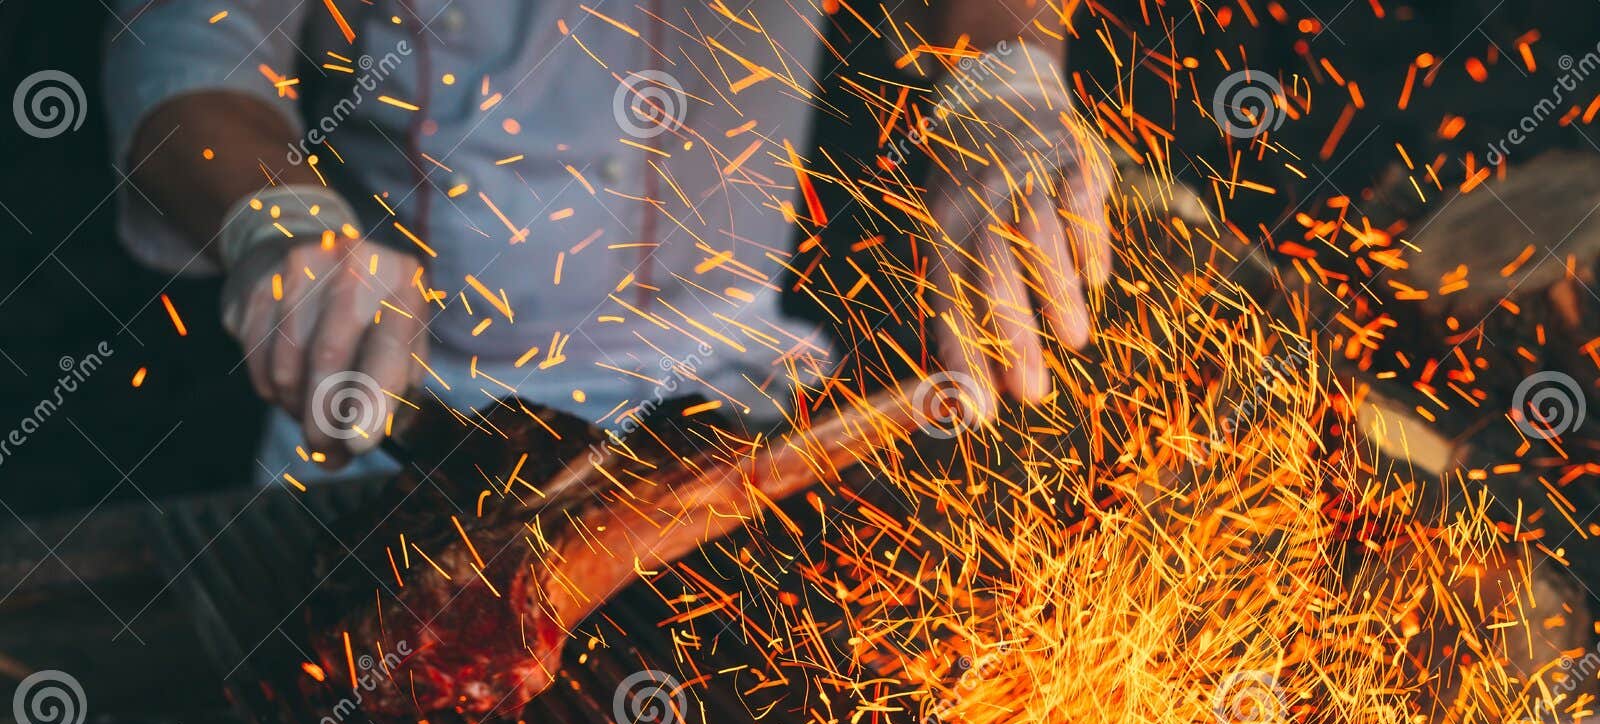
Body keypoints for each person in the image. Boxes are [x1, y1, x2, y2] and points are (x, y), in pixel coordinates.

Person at [105, 0, 1111, 478]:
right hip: (412, 425)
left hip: (749, 427)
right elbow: (189, 60)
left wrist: (1001, 79)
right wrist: (278, 221)